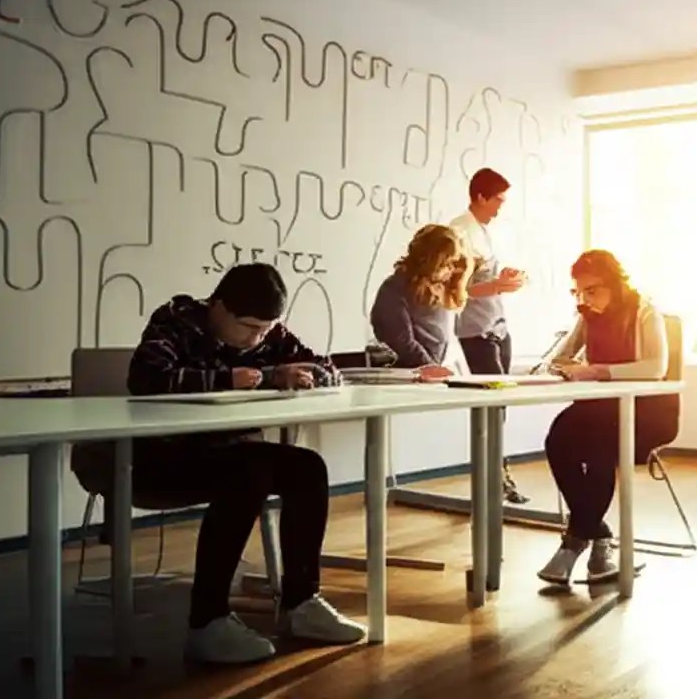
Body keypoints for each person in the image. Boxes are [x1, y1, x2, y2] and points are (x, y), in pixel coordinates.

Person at [127, 263, 366, 663]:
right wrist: (231, 378)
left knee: (307, 468)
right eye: (249, 327)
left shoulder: (269, 336)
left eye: (266, 329)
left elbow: (328, 370)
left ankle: (301, 604)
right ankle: (207, 621)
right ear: (217, 307)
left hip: (230, 453)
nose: (257, 338)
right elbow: (147, 378)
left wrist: (298, 376)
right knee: (248, 471)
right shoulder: (177, 322)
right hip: (162, 456)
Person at [537, 250, 680, 584]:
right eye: (578, 292)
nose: (584, 300)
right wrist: (565, 366)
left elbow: (655, 368)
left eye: (592, 290)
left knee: (599, 449)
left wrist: (597, 371)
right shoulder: (588, 315)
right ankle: (599, 538)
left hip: (648, 411)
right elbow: (561, 357)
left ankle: (574, 543)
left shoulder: (645, 312)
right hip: (602, 406)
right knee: (558, 439)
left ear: (615, 285)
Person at [450, 167, 529, 504]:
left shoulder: (483, 230)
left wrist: (503, 277)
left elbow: (485, 277)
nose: (500, 206)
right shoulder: (458, 232)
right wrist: (496, 285)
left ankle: (497, 477)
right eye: (497, 199)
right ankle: (495, 479)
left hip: (496, 325)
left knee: (500, 406)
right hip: (474, 331)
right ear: (480, 196)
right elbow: (457, 288)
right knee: (491, 405)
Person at [370, 224, 471, 382]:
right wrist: (431, 368)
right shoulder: (394, 289)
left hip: (437, 373)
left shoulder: (438, 287)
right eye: (446, 264)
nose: (450, 269)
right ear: (431, 260)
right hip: (407, 377)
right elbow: (401, 341)